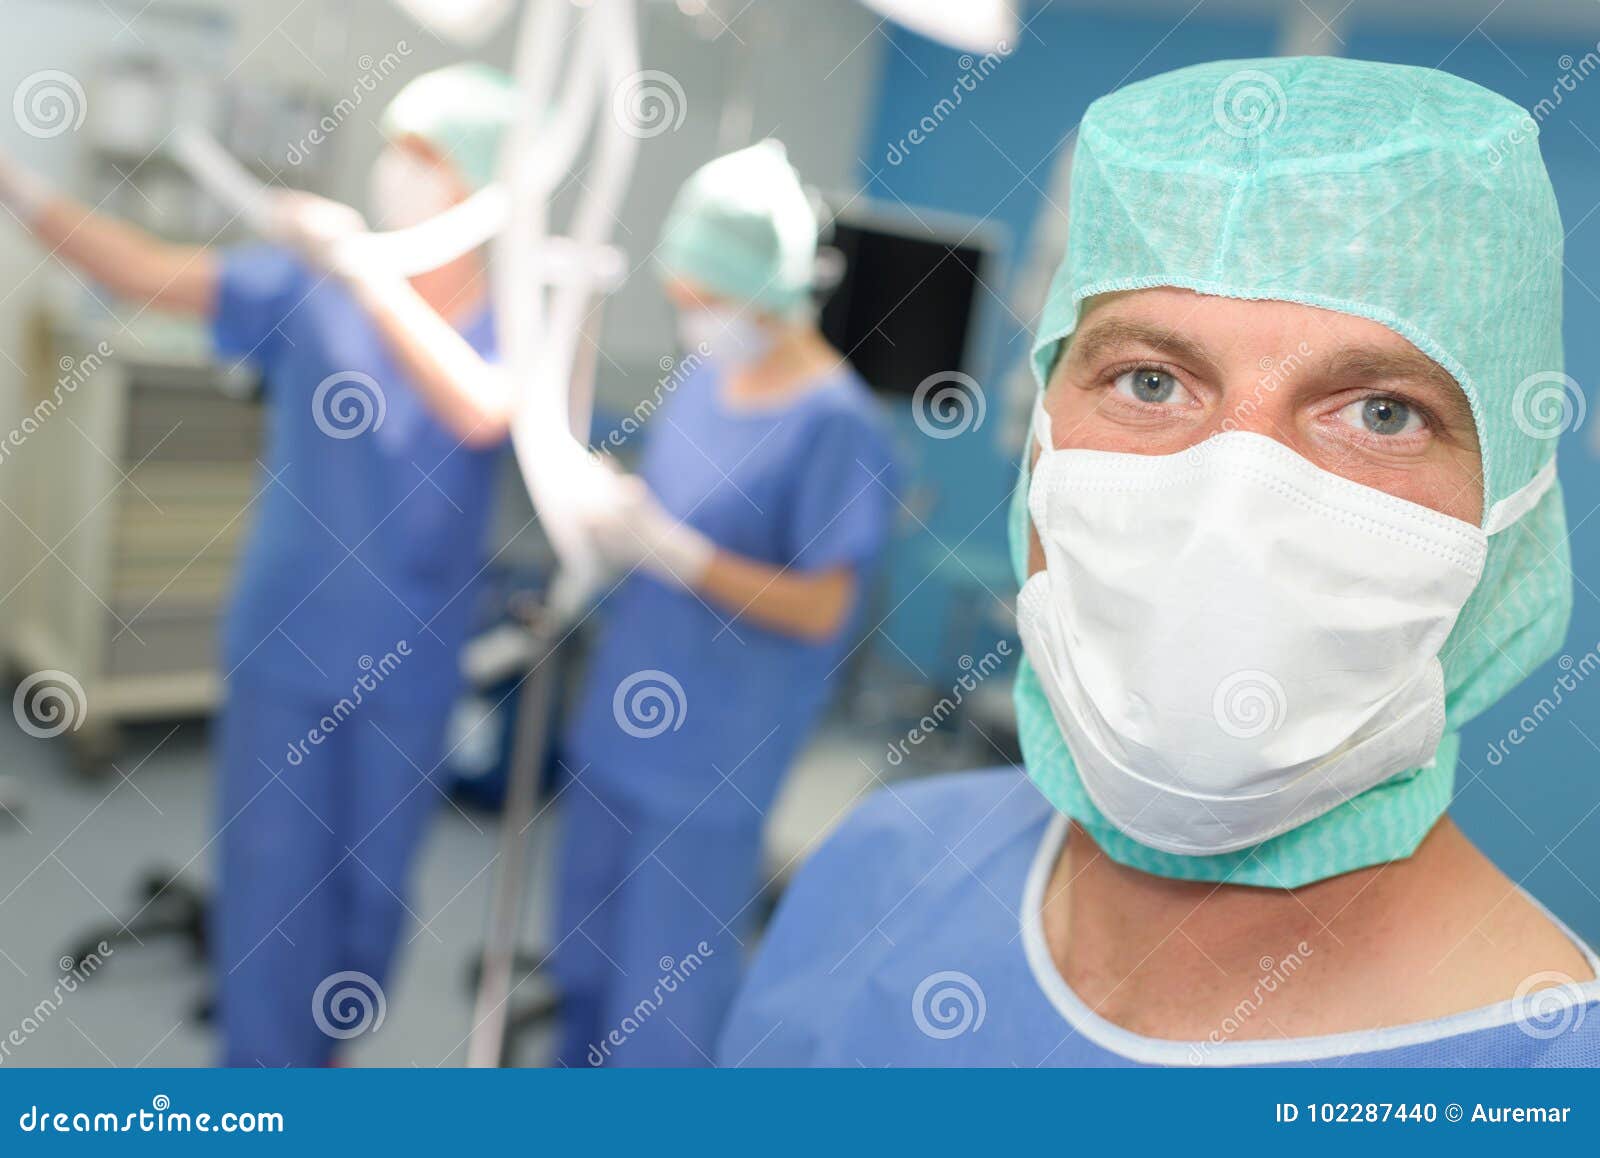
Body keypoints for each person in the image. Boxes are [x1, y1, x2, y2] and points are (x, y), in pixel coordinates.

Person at [718, 57, 1600, 1067]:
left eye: (1380, 413)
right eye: (1148, 381)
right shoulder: (878, 873)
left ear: (1515, 510)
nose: (1230, 507)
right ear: (1042, 431)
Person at [0, 63, 521, 1065]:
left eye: (426, 156)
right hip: (288, 648)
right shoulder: (308, 284)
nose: (396, 170)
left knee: (368, 915)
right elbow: (144, 269)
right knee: (273, 900)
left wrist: (366, 269)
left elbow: (482, 407)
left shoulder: (511, 323)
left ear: (479, 189)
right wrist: (21, 192)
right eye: (397, 148)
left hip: (407, 666)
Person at [550, 140, 898, 1067]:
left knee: (659, 1012)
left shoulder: (838, 424)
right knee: (581, 975)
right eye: (683, 292)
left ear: (765, 286)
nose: (689, 314)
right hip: (621, 725)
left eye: (705, 297)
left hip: (712, 758)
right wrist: (616, 525)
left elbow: (824, 608)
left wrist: (680, 555)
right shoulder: (705, 379)